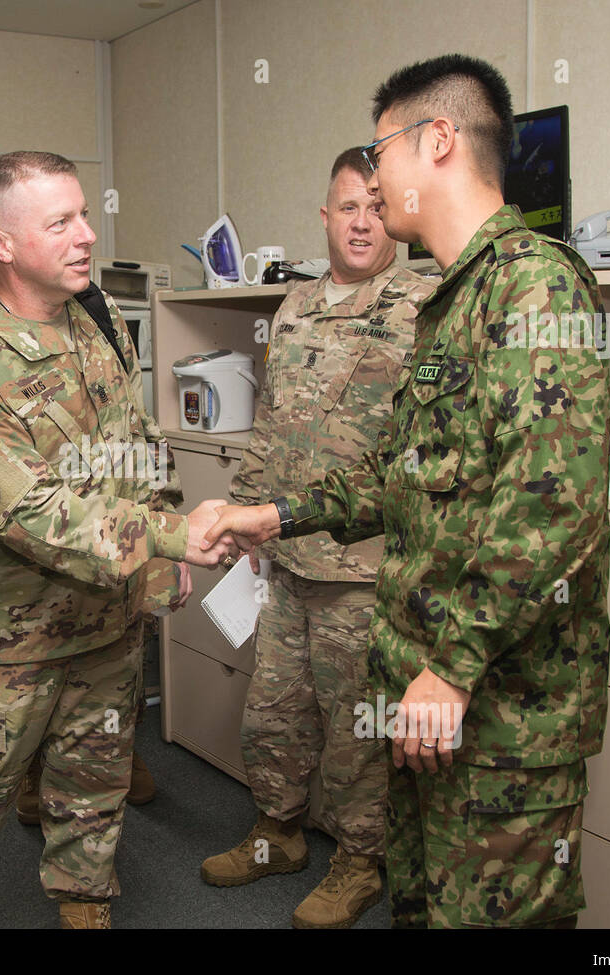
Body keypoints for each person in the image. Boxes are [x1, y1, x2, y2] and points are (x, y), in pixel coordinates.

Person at [205, 54, 610, 929]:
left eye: (378, 148)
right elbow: (410, 476)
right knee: (420, 910)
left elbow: (550, 509)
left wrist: (456, 667)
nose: (371, 175)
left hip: (498, 713)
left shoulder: (533, 284)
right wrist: (275, 513)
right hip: (426, 689)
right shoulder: (451, 304)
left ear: (436, 142)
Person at [0, 151, 232, 930]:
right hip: (6, 640)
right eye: (62, 222)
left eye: (85, 214)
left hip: (105, 620)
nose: (87, 235)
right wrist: (173, 536)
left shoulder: (98, 317)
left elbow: (136, 441)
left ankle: (85, 903)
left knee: (96, 774)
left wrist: (157, 540)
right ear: (2, 244)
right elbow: (35, 515)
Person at [199, 149, 434, 929]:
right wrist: (240, 515)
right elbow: (270, 428)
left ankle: (361, 862)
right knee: (274, 713)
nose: (362, 221)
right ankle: (278, 833)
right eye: (347, 207)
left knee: (358, 731)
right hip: (285, 556)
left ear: (393, 213)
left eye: (376, 205)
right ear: (324, 217)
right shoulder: (294, 305)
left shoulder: (421, 301)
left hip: (365, 568)